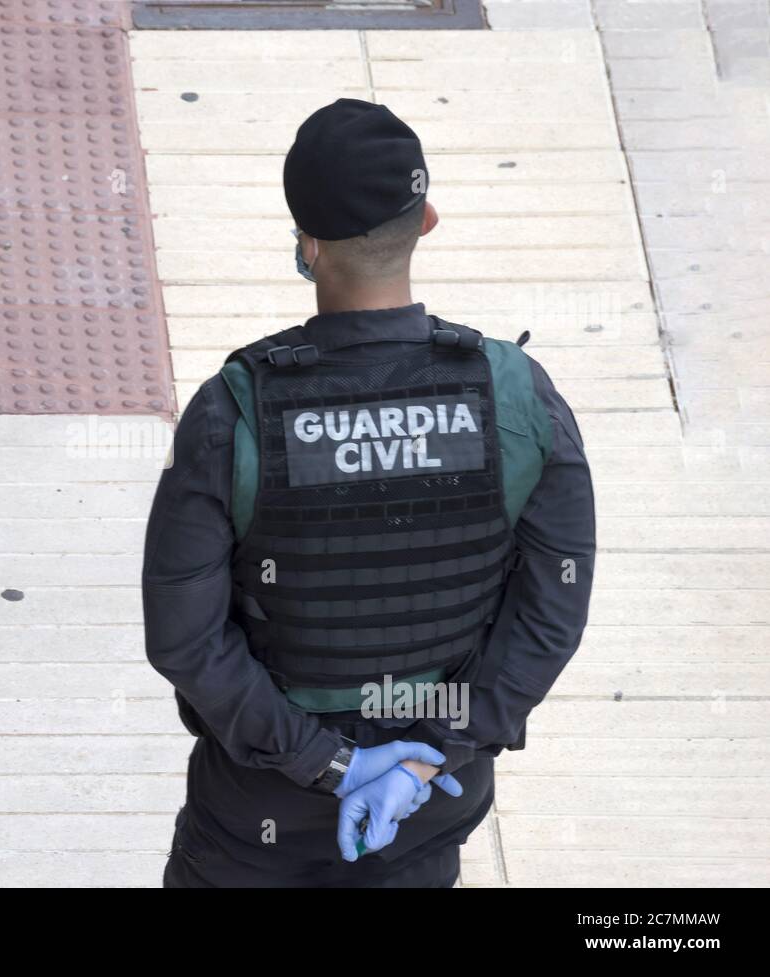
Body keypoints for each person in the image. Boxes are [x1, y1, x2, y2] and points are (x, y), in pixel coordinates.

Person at [142, 99, 596, 888]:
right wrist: (424, 762)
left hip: (257, 816)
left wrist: (332, 762)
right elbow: (549, 615)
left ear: (307, 245)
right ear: (426, 219)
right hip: (426, 806)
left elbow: (186, 639)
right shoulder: (516, 399)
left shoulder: (234, 411)